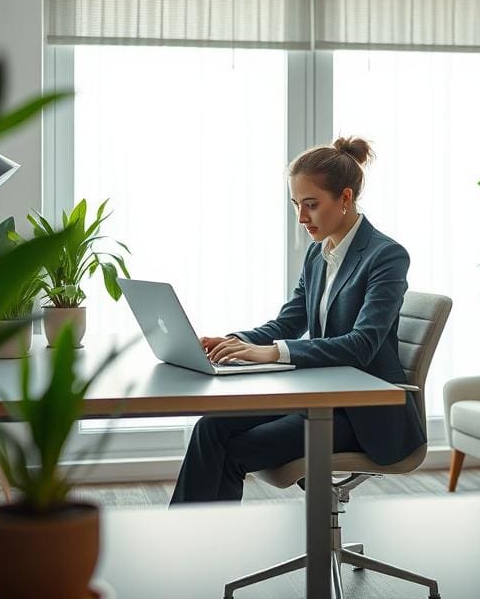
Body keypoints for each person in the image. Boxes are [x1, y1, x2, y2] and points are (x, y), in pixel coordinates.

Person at [170, 136, 425, 505]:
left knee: (235, 449)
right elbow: (288, 323)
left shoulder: (386, 256)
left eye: (311, 205)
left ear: (346, 198)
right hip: (320, 398)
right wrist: (231, 341)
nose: (301, 218)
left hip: (365, 417)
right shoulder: (318, 255)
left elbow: (362, 344)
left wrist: (271, 354)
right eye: (296, 205)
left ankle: (211, 547)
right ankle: (187, 541)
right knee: (211, 428)